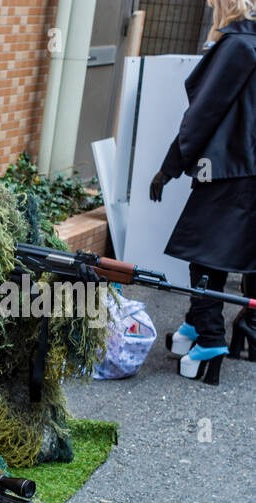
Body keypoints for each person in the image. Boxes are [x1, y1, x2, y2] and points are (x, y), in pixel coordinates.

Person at [150, 0, 256, 383]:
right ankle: (195, 326)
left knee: (204, 254)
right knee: (218, 250)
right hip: (244, 168)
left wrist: (169, 167)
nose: (211, 6)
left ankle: (211, 341)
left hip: (228, 170)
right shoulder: (248, 44)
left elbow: (204, 113)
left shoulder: (238, 47)